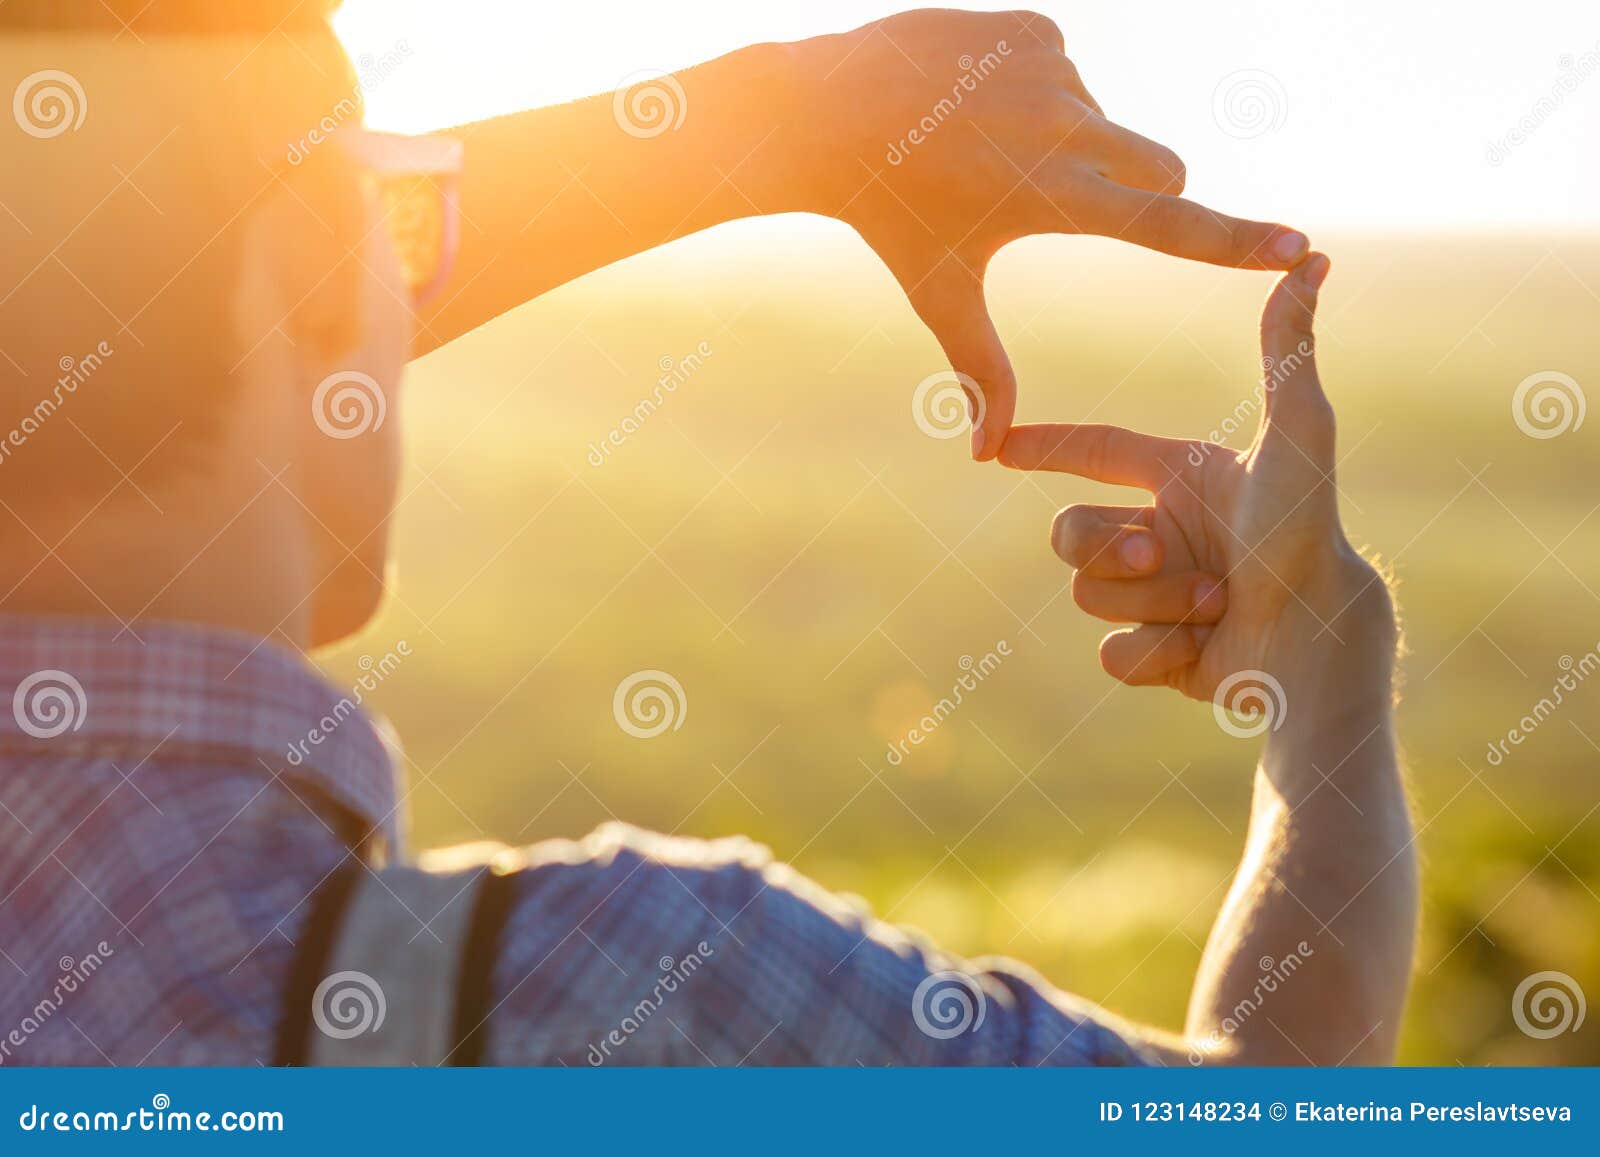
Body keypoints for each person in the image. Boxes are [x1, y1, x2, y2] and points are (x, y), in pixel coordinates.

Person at [0, 2, 1414, 1065]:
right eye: (398, 217)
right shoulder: (628, 992)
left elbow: (133, 280)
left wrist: (785, 119)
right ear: (325, 256)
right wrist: (1326, 680)